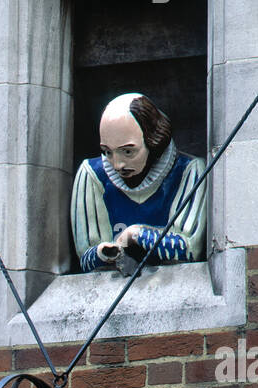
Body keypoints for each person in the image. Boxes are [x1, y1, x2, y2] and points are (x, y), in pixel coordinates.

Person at [71, 92, 206, 273]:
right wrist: (103, 253)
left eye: (128, 152)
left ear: (153, 140)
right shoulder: (92, 174)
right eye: (107, 152)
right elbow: (87, 260)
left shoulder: (188, 171)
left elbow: (188, 250)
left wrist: (136, 234)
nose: (117, 165)